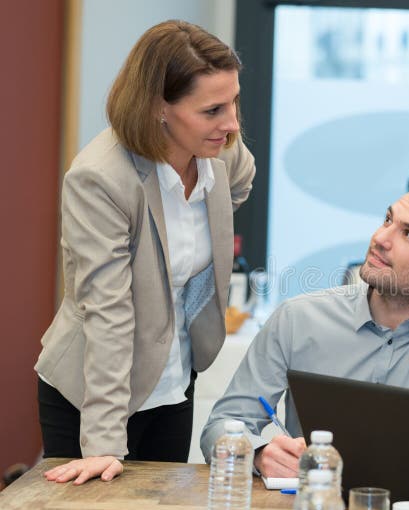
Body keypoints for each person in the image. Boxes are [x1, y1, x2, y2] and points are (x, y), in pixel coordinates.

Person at [35, 20, 256, 485]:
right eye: (213, 109)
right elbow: (109, 314)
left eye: (234, 101)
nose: (232, 123)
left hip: (175, 377)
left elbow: (236, 189)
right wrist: (104, 447)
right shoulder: (101, 179)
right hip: (95, 391)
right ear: (159, 107)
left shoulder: (223, 153)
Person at [201, 178, 409, 477]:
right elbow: (223, 425)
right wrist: (257, 454)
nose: (380, 239)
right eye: (388, 220)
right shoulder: (297, 318)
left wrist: (391, 456)